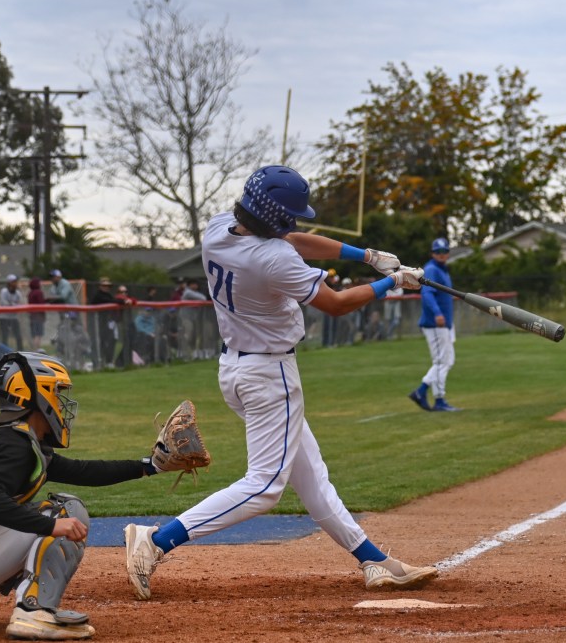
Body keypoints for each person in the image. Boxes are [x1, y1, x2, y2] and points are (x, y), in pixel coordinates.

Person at [123, 164, 436, 599]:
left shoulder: (218, 229)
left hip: (236, 369)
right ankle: (156, 541)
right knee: (267, 486)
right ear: (275, 218)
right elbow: (338, 303)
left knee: (310, 476)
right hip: (270, 376)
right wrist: (392, 282)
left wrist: (365, 256)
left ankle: (376, 562)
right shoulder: (272, 259)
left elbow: (293, 240)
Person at [0, 352, 168, 639]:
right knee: (66, 511)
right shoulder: (15, 446)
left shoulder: (13, 438)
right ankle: (34, 612)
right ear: (36, 395)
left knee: (32, 520)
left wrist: (151, 466)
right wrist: (50, 526)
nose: (62, 402)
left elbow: (83, 471)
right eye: (56, 392)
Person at [408, 237, 460, 412]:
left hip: (444, 323)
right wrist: (437, 313)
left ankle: (421, 391)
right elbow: (427, 294)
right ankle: (438, 399)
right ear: (432, 253)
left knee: (447, 360)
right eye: (438, 252)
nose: (441, 254)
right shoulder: (431, 269)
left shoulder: (442, 270)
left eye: (444, 251)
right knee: (441, 362)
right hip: (435, 323)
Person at [89, 278, 122, 367]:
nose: (107, 288)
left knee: (110, 341)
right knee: (99, 343)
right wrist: (122, 301)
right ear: (100, 286)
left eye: (108, 286)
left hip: (106, 324)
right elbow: (111, 301)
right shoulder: (99, 295)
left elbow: (112, 300)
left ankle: (108, 361)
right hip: (97, 324)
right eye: (104, 286)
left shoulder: (108, 295)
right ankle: (98, 363)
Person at [0, 274, 24, 351]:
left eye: (16, 281)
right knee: (5, 336)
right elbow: (4, 304)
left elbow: (20, 304)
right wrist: (14, 305)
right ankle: (4, 354)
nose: (15, 283)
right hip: (4, 317)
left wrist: (12, 305)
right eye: (13, 282)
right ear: (9, 283)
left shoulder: (18, 293)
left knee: (18, 336)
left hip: (14, 317)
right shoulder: (4, 291)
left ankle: (21, 353)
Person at [26, 277, 47, 351]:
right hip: (38, 317)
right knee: (38, 335)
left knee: (34, 335)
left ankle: (34, 350)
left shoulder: (30, 293)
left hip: (32, 317)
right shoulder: (39, 292)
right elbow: (42, 304)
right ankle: (36, 350)